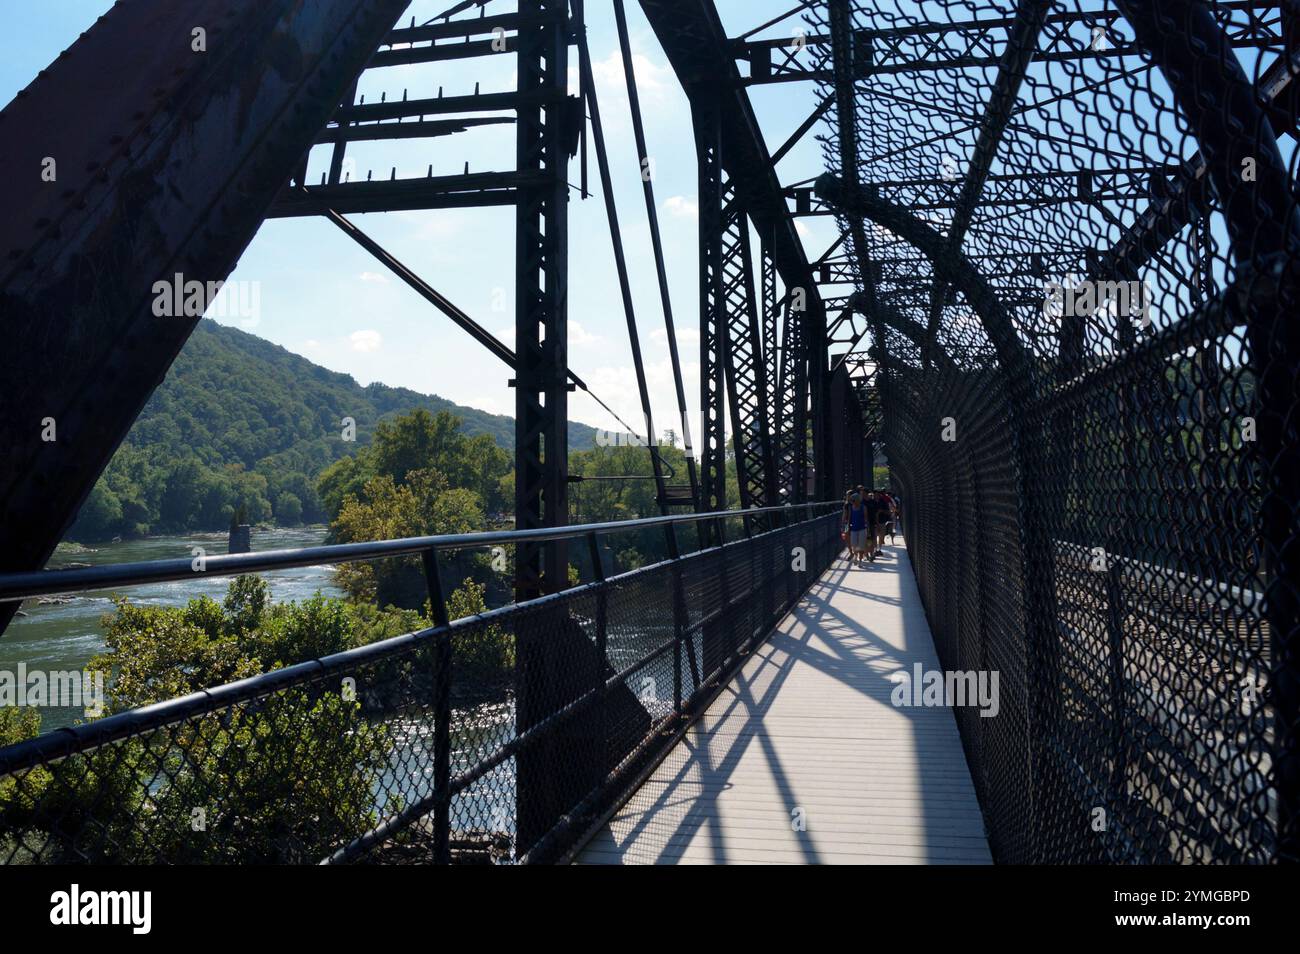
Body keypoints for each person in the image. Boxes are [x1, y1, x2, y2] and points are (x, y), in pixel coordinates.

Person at [843, 491, 869, 565]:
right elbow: (849, 518)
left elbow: (866, 519)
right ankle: (855, 556)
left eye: (853, 500)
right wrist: (847, 527)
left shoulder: (863, 507)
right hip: (853, 529)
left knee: (861, 545)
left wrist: (868, 529)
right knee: (854, 545)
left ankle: (860, 560)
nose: (852, 502)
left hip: (862, 529)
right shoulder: (851, 507)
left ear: (858, 500)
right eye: (852, 501)